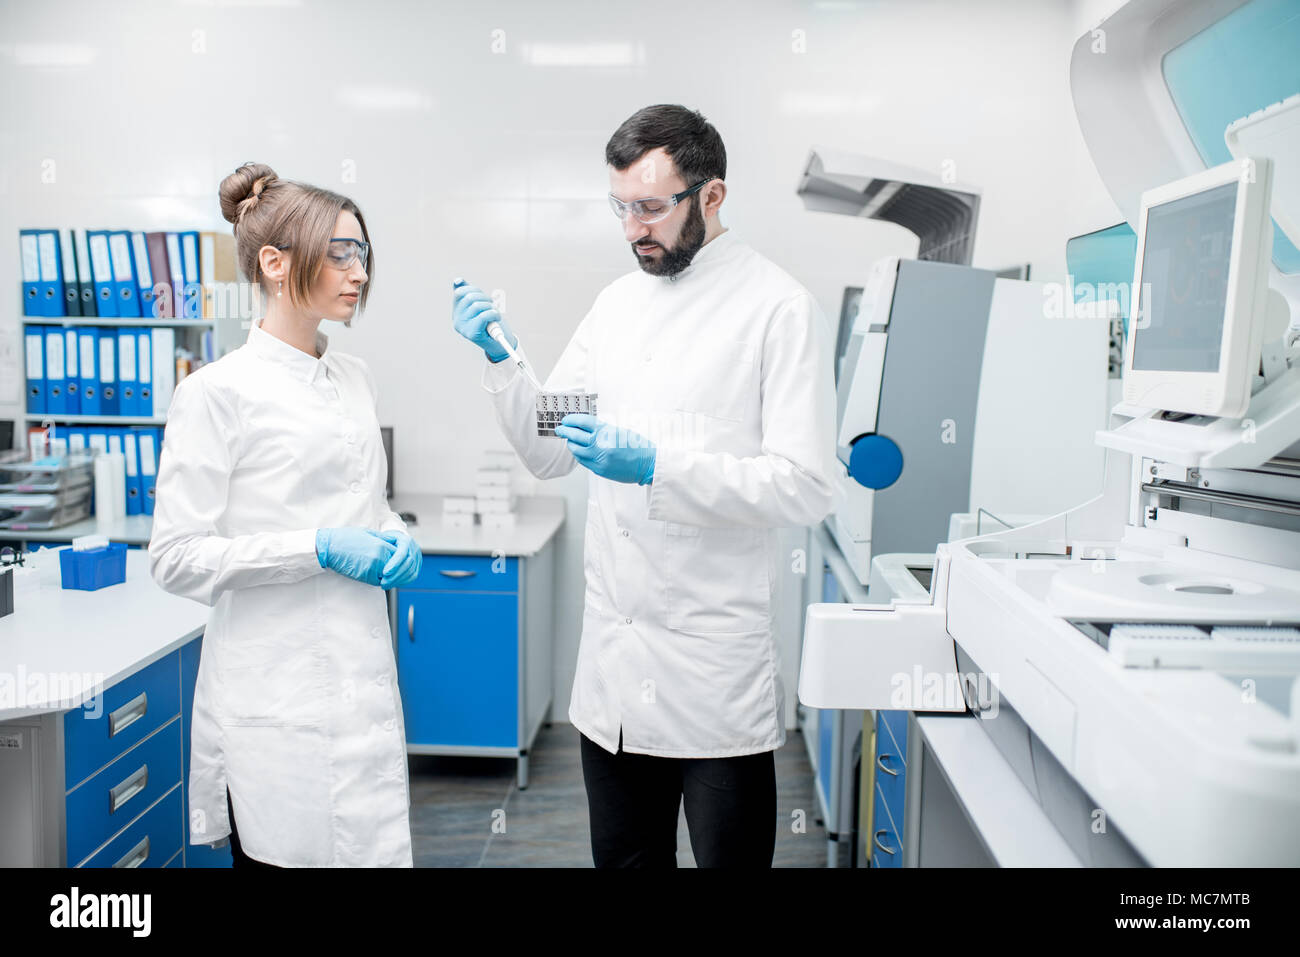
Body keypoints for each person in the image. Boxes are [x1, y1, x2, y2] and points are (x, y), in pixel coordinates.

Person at [453, 105, 839, 867]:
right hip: (615, 679)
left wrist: (660, 466)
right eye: (621, 207)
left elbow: (804, 487)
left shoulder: (779, 308)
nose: (634, 228)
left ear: (712, 196)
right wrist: (505, 363)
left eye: (652, 207)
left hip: (712, 675)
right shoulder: (616, 306)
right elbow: (551, 447)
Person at [149, 162, 422, 868]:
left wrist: (395, 538)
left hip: (362, 686)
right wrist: (319, 547)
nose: (357, 270)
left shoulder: (353, 377)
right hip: (276, 706)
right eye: (338, 252)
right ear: (274, 263)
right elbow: (175, 556)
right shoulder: (216, 393)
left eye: (361, 251)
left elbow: (371, 504)